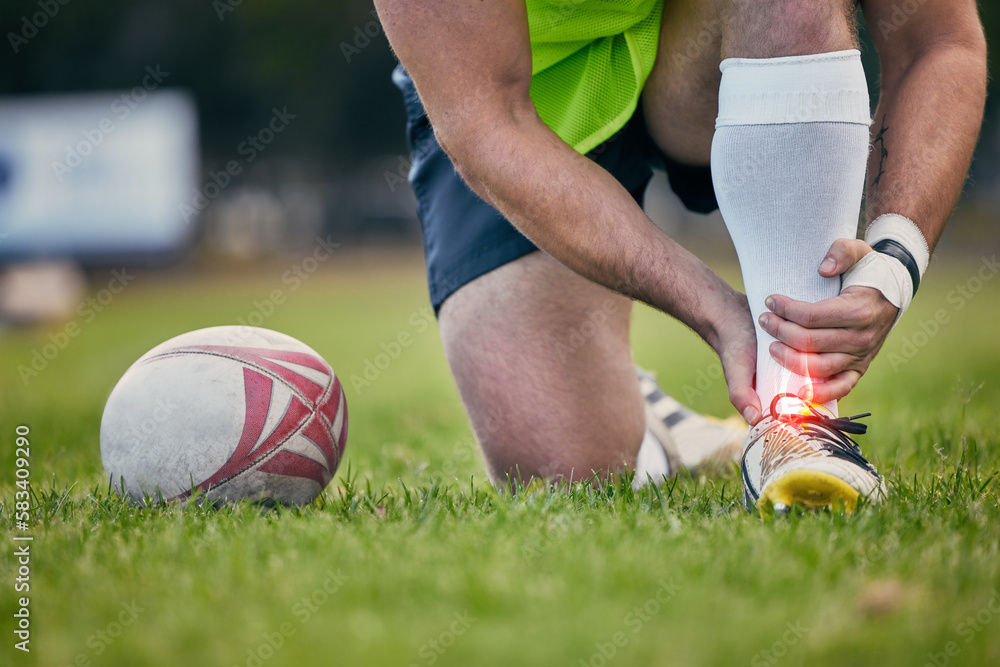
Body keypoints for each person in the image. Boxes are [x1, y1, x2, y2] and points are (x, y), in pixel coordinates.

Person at [374, 0, 987, 515]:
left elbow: (937, 41)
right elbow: (486, 124)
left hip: (698, 47)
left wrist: (894, 260)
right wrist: (715, 311)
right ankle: (665, 422)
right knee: (564, 465)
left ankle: (800, 423)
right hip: (521, 95)